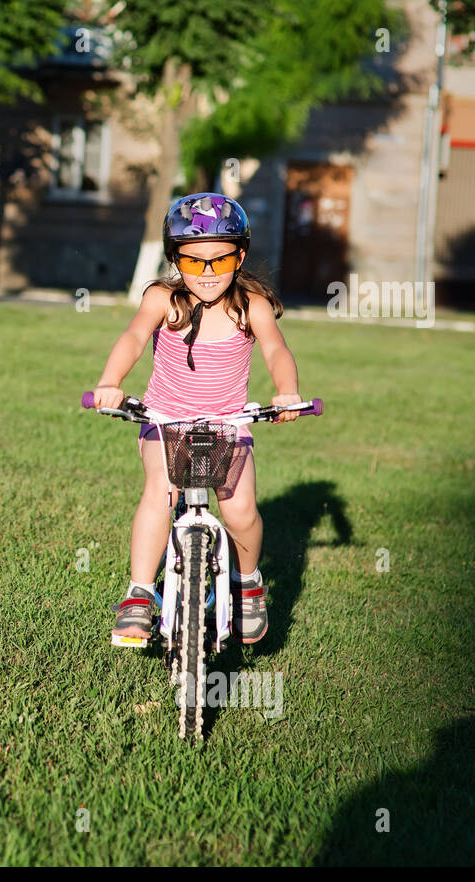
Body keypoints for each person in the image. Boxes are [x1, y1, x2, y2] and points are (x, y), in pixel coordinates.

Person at [91, 193, 302, 649]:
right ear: (174, 257)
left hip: (228, 425)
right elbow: (132, 337)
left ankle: (247, 582)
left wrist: (287, 392)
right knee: (160, 492)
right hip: (165, 421)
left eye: (220, 260)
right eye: (193, 260)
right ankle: (140, 593)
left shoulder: (252, 305)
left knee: (239, 508)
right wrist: (111, 382)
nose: (207, 274)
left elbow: (275, 350)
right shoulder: (163, 299)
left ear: (240, 255)